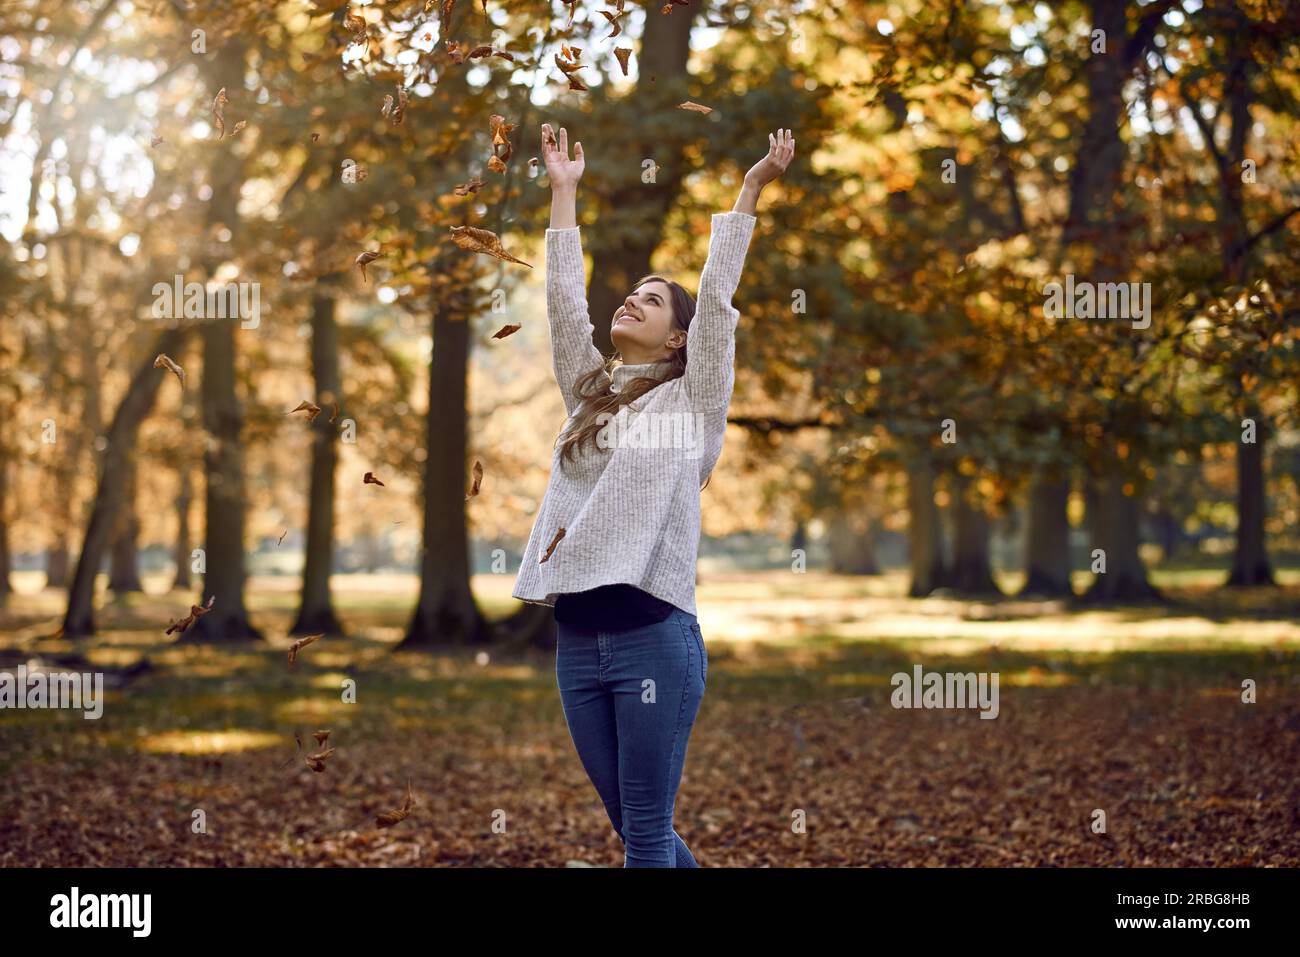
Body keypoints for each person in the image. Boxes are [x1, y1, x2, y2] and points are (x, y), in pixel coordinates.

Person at [512, 122, 795, 866]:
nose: (634, 301)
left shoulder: (692, 405)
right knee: (641, 830)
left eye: (653, 300)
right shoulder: (589, 397)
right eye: (632, 294)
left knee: (643, 832)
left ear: (679, 340)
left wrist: (749, 191)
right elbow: (562, 302)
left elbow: (716, 298)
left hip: (654, 642)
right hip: (576, 644)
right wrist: (563, 192)